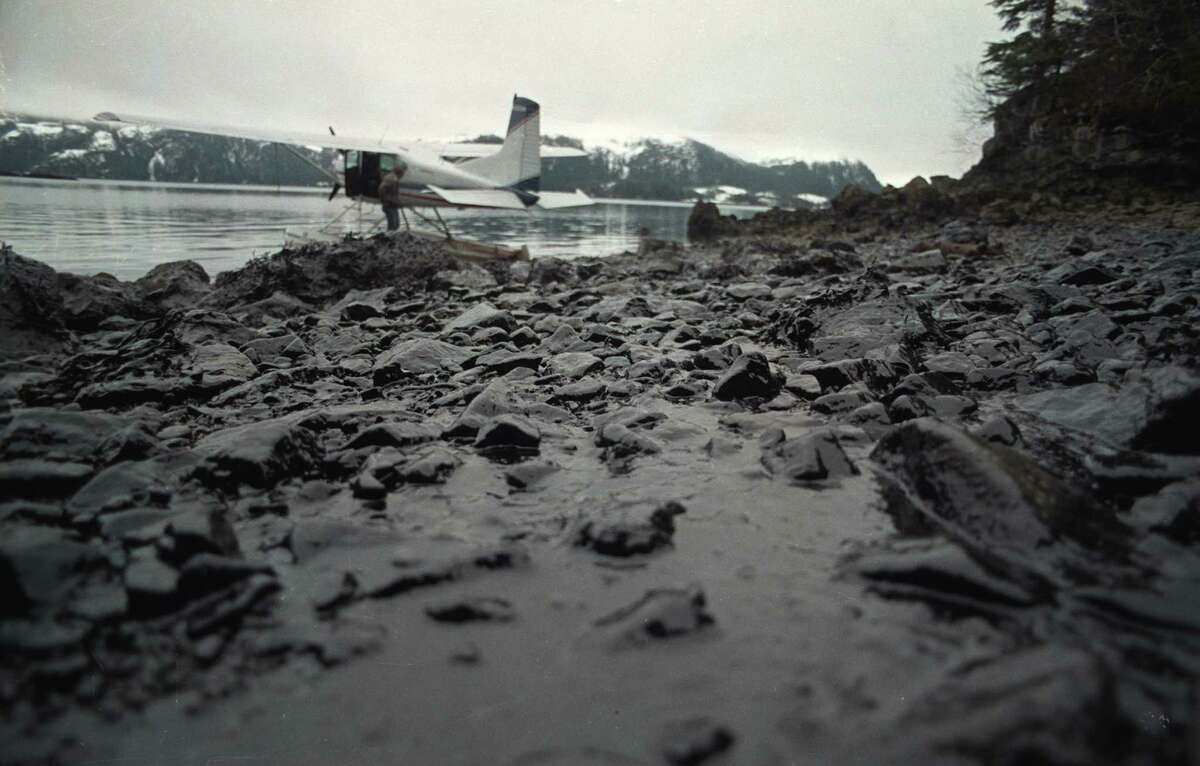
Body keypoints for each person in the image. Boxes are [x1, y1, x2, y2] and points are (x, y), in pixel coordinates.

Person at [378, 164, 404, 232]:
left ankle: (390, 237)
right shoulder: (392, 179)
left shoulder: (391, 178)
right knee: (393, 225)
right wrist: (387, 200)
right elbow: (381, 189)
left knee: (395, 224)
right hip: (390, 205)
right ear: (400, 173)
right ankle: (389, 238)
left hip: (392, 205)